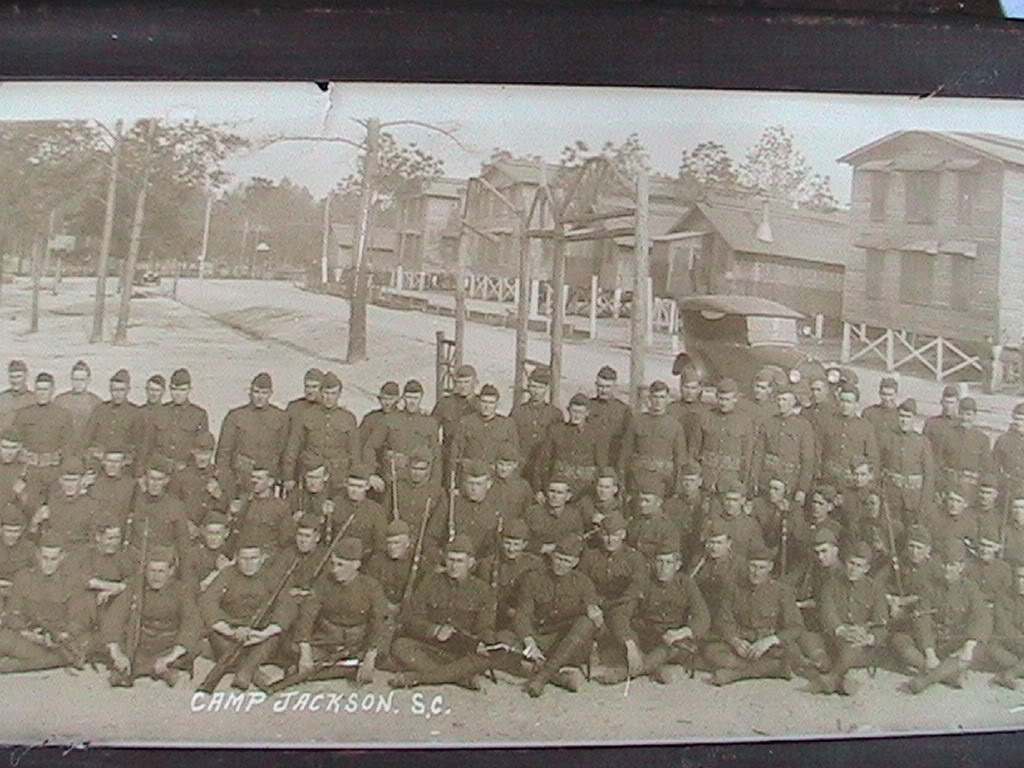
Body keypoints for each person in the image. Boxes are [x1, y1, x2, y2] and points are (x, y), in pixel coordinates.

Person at [389, 534, 498, 690]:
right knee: (400, 646)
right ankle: (458, 677)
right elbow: (411, 618)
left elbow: (485, 627)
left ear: (471, 563)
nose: (454, 566)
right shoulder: (430, 581)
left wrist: (483, 643)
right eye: (450, 560)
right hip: (433, 646)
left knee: (484, 659)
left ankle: (419, 678)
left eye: (459, 561)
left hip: (462, 650)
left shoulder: (483, 590)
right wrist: (434, 630)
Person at [605, 532, 710, 685]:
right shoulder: (643, 582)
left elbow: (702, 617)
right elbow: (621, 613)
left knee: (674, 647)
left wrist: (681, 632)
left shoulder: (685, 583)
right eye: (659, 562)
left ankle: (628, 672)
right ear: (653, 563)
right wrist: (630, 644)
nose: (663, 568)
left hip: (673, 640)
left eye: (668, 563)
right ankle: (655, 668)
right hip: (647, 637)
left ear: (678, 565)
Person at [198, 535, 298, 690]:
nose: (249, 563)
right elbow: (208, 602)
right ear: (236, 558)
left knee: (274, 638)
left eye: (254, 558)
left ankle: (245, 671)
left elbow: (287, 605)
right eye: (244, 558)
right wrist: (230, 631)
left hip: (260, 633)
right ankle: (252, 672)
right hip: (231, 632)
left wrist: (264, 633)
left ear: (262, 558)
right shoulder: (227, 574)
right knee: (215, 636)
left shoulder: (272, 576)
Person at [514, 533, 603, 697]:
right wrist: (529, 641)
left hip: (568, 643)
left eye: (567, 561)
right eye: (558, 558)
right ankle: (558, 677)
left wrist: (597, 619)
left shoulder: (583, 583)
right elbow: (522, 614)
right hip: (542, 639)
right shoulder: (534, 578)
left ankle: (541, 677)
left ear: (575, 562)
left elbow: (596, 625)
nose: (561, 565)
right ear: (552, 556)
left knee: (586, 623)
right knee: (504, 640)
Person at [292, 536, 388, 686]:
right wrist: (305, 651)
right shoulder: (324, 582)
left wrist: (370, 655)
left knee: (381, 653)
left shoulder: (371, 586)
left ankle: (322, 671)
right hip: (328, 640)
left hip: (358, 643)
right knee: (293, 648)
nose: (334, 569)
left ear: (356, 565)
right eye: (333, 564)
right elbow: (307, 614)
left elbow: (380, 621)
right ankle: (347, 669)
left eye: (340, 565)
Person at [102, 544, 201, 687]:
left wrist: (169, 657)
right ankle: (157, 670)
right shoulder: (135, 586)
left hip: (169, 643)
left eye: (161, 571)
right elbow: (115, 617)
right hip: (142, 641)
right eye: (152, 571)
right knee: (122, 655)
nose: (155, 576)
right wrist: (117, 654)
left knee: (190, 650)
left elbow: (191, 624)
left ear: (171, 571)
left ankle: (147, 669)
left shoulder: (182, 591)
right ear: (145, 570)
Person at [705, 542, 803, 686]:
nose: (756, 572)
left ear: (770, 568)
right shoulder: (733, 588)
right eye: (752, 566)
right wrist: (735, 641)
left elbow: (796, 627)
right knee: (711, 652)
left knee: (792, 653)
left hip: (768, 645)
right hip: (742, 643)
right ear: (746, 565)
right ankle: (773, 669)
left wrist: (769, 641)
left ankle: (737, 674)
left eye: (761, 568)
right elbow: (723, 621)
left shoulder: (782, 591)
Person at [901, 537, 989, 693]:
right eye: (944, 564)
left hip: (956, 643)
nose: (947, 569)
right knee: (900, 640)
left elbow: (981, 618)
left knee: (978, 647)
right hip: (934, 642)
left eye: (952, 565)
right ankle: (949, 676)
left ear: (961, 567)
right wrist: (929, 653)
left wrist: (969, 646)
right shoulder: (929, 587)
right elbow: (923, 620)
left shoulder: (970, 589)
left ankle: (926, 679)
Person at [0, 532, 93, 672]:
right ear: (37, 555)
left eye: (53, 559)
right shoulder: (23, 577)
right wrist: (29, 634)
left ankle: (11, 666)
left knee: (72, 650)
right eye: (45, 558)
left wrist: (63, 635)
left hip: (57, 641)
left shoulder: (72, 581)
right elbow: (12, 614)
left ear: (62, 557)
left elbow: (79, 620)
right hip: (27, 636)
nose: (48, 564)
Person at [812, 540, 889, 695]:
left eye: (859, 566)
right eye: (851, 563)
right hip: (837, 638)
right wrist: (841, 629)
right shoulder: (831, 584)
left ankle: (832, 678)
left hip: (861, 643)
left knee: (853, 646)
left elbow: (882, 623)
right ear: (845, 562)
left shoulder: (875, 589)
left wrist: (869, 638)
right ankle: (842, 679)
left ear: (866, 569)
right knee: (820, 643)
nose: (853, 569)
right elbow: (827, 613)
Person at [579, 511, 649, 677]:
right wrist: (593, 603)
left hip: (624, 603)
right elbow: (582, 583)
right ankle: (596, 650)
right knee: (591, 617)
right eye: (606, 535)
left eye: (615, 535)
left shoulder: (634, 557)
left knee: (618, 616)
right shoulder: (591, 556)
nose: (610, 540)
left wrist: (616, 602)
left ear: (623, 534)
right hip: (598, 601)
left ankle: (630, 646)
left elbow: (637, 585)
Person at [282, 371, 359, 495]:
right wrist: (288, 476)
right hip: (311, 472)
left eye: (333, 393)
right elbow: (293, 446)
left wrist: (355, 477)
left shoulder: (348, 418)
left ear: (339, 394)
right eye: (326, 393)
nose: (329, 397)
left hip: (338, 475)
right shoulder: (306, 415)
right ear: (320, 392)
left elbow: (354, 451)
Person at [216, 372, 288, 497]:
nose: (260, 397)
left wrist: (277, 477)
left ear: (270, 394)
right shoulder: (236, 416)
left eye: (264, 393)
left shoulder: (280, 417)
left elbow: (283, 450)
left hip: (266, 481)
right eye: (256, 392)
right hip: (240, 478)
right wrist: (225, 479)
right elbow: (224, 451)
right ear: (250, 393)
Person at [363, 380, 440, 488]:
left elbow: (436, 456)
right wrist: (371, 474)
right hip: (394, 480)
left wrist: (435, 483)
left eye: (415, 398)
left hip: (420, 482)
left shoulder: (429, 423)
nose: (412, 402)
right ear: (403, 398)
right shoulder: (389, 419)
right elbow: (370, 447)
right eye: (408, 398)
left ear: (421, 398)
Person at [424, 460, 499, 566]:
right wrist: (442, 561)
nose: (474, 488)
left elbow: (492, 549)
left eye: (478, 484)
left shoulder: (493, 510)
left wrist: (478, 565)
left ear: (489, 484)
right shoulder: (451, 504)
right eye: (470, 483)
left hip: (476, 570)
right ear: (464, 483)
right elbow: (430, 539)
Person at [12, 372, 73, 502]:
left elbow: (68, 446)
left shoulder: (63, 415)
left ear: (52, 390)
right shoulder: (23, 414)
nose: (42, 393)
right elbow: (14, 442)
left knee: (54, 506)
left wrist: (64, 473)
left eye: (45, 389)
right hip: (30, 470)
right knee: (29, 505)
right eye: (39, 389)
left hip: (53, 471)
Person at [619, 380, 687, 495]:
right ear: (649, 398)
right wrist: (621, 482)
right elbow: (625, 454)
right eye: (655, 397)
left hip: (662, 482)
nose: (658, 401)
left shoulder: (675, 426)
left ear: (667, 399)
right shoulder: (637, 421)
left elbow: (679, 460)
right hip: (638, 480)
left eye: (662, 397)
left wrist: (677, 489)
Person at [477, 518, 544, 635]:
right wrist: (508, 611)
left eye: (516, 544)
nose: (511, 548)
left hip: (525, 619)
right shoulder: (488, 564)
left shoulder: (535, 564)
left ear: (524, 544)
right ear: (501, 541)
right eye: (507, 543)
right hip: (495, 619)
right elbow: (486, 598)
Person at [752, 383, 815, 505]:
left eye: (785, 400)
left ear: (793, 402)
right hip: (766, 479)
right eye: (779, 400)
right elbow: (758, 453)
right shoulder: (768, 423)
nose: (781, 403)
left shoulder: (803, 426)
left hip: (789, 481)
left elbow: (808, 460)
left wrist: (802, 489)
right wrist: (754, 480)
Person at [692, 378, 756, 494]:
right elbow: (694, 450)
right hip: (706, 477)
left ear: (735, 399)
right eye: (720, 399)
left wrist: (743, 482)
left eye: (727, 399)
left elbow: (747, 455)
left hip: (731, 479)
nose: (723, 403)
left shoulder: (745, 421)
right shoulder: (705, 417)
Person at [536, 392, 607, 496]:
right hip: (560, 488)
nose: (577, 415)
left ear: (587, 413)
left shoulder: (596, 433)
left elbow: (601, 464)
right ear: (568, 410)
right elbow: (543, 461)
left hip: (585, 489)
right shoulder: (556, 430)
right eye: (574, 411)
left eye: (580, 412)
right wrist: (540, 489)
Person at [880, 398, 936, 530]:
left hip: (913, 499)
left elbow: (929, 475)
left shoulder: (922, 442)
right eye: (901, 416)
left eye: (908, 417)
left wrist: (924, 504)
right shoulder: (887, 438)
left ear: (914, 418)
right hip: (891, 497)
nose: (904, 420)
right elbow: (880, 466)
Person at [816, 383, 878, 490]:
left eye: (849, 402)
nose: (845, 405)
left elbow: (872, 458)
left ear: (856, 404)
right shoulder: (827, 422)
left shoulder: (865, 427)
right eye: (843, 401)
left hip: (852, 482)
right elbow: (818, 449)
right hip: (828, 479)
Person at [81, 369, 145, 471]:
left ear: (128, 390)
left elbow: (139, 445)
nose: (117, 394)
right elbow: (86, 439)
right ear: (110, 390)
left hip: (123, 467)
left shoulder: (135, 413)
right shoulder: (100, 410)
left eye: (121, 390)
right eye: (115, 390)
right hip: (98, 464)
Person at [510, 367, 561, 492]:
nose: (536, 391)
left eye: (540, 387)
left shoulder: (555, 414)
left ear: (547, 388)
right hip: (521, 466)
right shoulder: (518, 412)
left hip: (543, 469)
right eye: (533, 387)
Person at [148, 368, 210, 472]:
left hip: (185, 472)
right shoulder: (159, 412)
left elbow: (202, 449)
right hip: (159, 470)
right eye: (174, 389)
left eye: (182, 390)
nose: (178, 394)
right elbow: (147, 445)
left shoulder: (199, 414)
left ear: (189, 389)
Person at [31, 457, 98, 551]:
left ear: (82, 481)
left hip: (79, 554)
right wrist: (35, 521)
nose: (70, 485)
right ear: (60, 480)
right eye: (66, 480)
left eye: (74, 480)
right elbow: (39, 536)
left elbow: (93, 540)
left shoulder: (91, 504)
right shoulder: (51, 501)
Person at [168, 432, 228, 535]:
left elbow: (226, 509)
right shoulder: (181, 476)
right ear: (192, 451)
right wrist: (186, 523)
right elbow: (172, 503)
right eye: (199, 453)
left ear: (212, 453)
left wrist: (218, 495)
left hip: (210, 535)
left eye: (207, 453)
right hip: (185, 530)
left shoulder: (221, 475)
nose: (203, 458)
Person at [451, 383, 519, 471]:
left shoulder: (507, 424)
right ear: (479, 402)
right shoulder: (466, 422)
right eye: (484, 402)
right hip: (471, 474)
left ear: (497, 404)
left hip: (495, 474)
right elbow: (456, 451)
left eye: (491, 403)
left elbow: (514, 454)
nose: (487, 406)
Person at [328, 464, 389, 560]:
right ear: (346, 484)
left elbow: (380, 544)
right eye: (352, 485)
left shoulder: (376, 510)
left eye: (359, 487)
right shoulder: (335, 504)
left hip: (364, 560)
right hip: (337, 558)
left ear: (367, 486)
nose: (354, 490)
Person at [520, 473, 586, 556]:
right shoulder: (532, 512)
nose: (554, 496)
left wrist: (557, 547)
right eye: (552, 491)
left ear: (568, 496)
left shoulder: (574, 516)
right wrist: (540, 547)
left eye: (560, 493)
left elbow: (578, 539)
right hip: (535, 557)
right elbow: (520, 539)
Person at [431, 364, 478, 482]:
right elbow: (430, 429)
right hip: (448, 459)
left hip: (473, 459)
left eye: (466, 382)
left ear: (475, 383)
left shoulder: (481, 405)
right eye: (459, 382)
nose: (462, 386)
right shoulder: (445, 404)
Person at [234, 466, 295, 554]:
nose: (254, 481)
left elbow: (286, 540)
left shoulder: (281, 507)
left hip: (268, 557)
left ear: (270, 482)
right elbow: (236, 532)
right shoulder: (244, 502)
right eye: (253, 477)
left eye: (259, 478)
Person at [988, 560, 1024, 689]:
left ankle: (1010, 674)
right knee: (993, 651)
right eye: (1019, 577)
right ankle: (1015, 671)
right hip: (1004, 646)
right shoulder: (1003, 597)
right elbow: (1004, 629)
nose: (1021, 581)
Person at [588, 366, 632, 468]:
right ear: (595, 385)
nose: (603, 390)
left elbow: (628, 441)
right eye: (600, 386)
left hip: (612, 462)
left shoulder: (623, 410)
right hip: (590, 461)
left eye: (607, 387)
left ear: (615, 387)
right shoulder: (588, 406)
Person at [53, 360, 102, 450]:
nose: (79, 383)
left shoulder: (96, 402)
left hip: (87, 450)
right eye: (76, 379)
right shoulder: (60, 400)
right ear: (71, 379)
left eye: (82, 380)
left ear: (88, 380)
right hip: (64, 449)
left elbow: (99, 431)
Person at [88, 446, 137, 528]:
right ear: (103, 462)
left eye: (117, 461)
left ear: (123, 463)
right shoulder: (94, 484)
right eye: (109, 461)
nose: (113, 465)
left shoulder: (131, 485)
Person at [667, 366, 707, 458]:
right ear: (680, 387)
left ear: (699, 389)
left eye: (693, 388)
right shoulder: (671, 409)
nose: (689, 392)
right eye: (686, 387)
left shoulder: (706, 412)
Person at [0, 504, 35, 605]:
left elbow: (37, 574)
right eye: (8, 531)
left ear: (21, 531)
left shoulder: (29, 548)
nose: (12, 535)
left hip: (19, 595)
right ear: (1, 529)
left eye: (16, 531)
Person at [358, 380, 402, 454]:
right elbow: (359, 443)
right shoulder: (370, 419)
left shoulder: (403, 419)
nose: (387, 403)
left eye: (391, 399)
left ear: (397, 400)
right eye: (384, 399)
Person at [923, 385, 962, 465]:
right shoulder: (931, 424)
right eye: (946, 402)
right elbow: (923, 448)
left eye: (951, 403)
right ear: (941, 402)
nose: (948, 406)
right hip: (934, 468)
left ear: (957, 403)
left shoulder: (961, 425)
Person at [861, 376, 900, 446]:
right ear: (879, 393)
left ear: (896, 395)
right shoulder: (869, 413)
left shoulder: (900, 415)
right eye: (884, 394)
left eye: (890, 395)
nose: (887, 398)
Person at [0, 360, 33, 431]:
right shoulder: (2, 399)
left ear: (26, 376)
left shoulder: (34, 399)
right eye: (12, 377)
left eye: (19, 376)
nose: (15, 381)